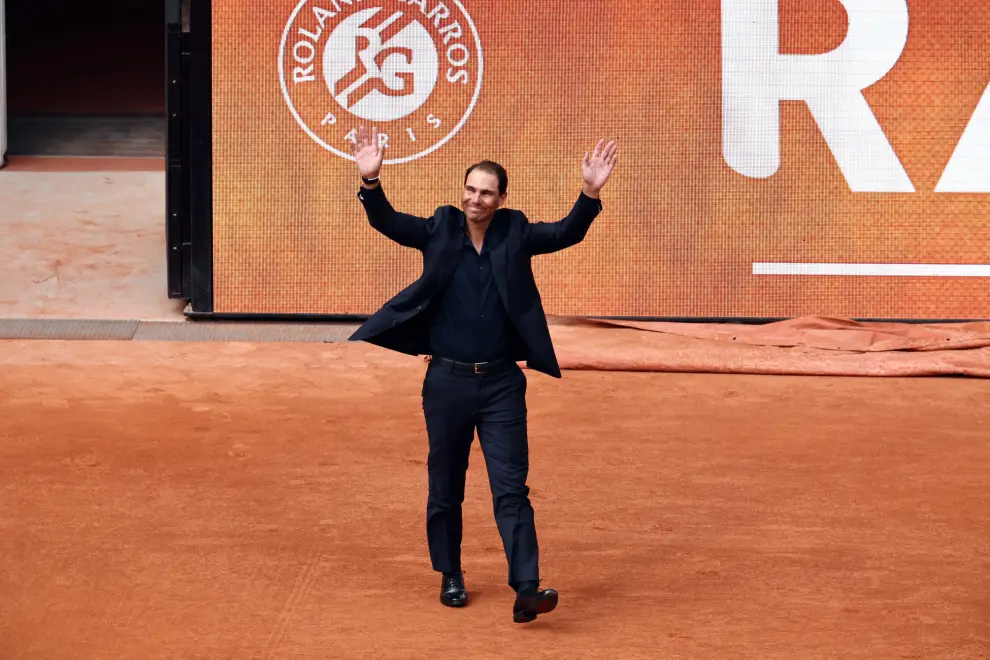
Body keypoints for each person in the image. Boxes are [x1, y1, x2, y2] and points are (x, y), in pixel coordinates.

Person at [348, 126, 617, 623]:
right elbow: (387, 222)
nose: (476, 199)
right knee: (445, 483)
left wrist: (590, 192)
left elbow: (565, 232)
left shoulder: (515, 232)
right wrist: (371, 180)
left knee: (511, 488)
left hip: (501, 386)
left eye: (486, 192)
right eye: (470, 190)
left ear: (501, 198)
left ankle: (527, 587)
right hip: (447, 384)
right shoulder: (439, 228)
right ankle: (450, 573)